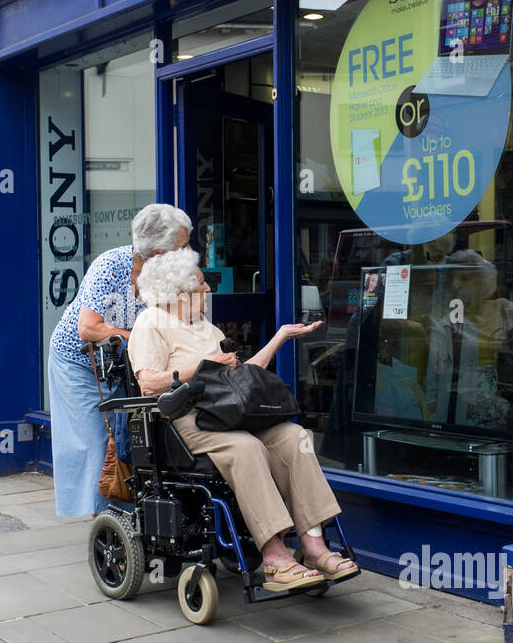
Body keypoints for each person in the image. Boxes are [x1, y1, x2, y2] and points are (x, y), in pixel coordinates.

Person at [127, 248, 358, 590]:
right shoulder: (151, 322)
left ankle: (313, 546)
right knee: (246, 447)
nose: (208, 291)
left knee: (294, 437)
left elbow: (241, 376)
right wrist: (205, 367)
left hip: (228, 413)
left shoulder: (203, 326)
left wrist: (279, 338)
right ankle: (275, 556)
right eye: (202, 284)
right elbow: (148, 383)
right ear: (178, 292)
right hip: (187, 421)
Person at [46, 203, 192, 518]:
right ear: (158, 250)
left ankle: (130, 512)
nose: (187, 251)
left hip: (124, 367)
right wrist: (137, 337)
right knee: (96, 444)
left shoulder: (164, 274)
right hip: (79, 363)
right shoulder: (111, 265)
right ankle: (107, 521)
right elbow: (89, 328)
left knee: (132, 438)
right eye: (181, 246)